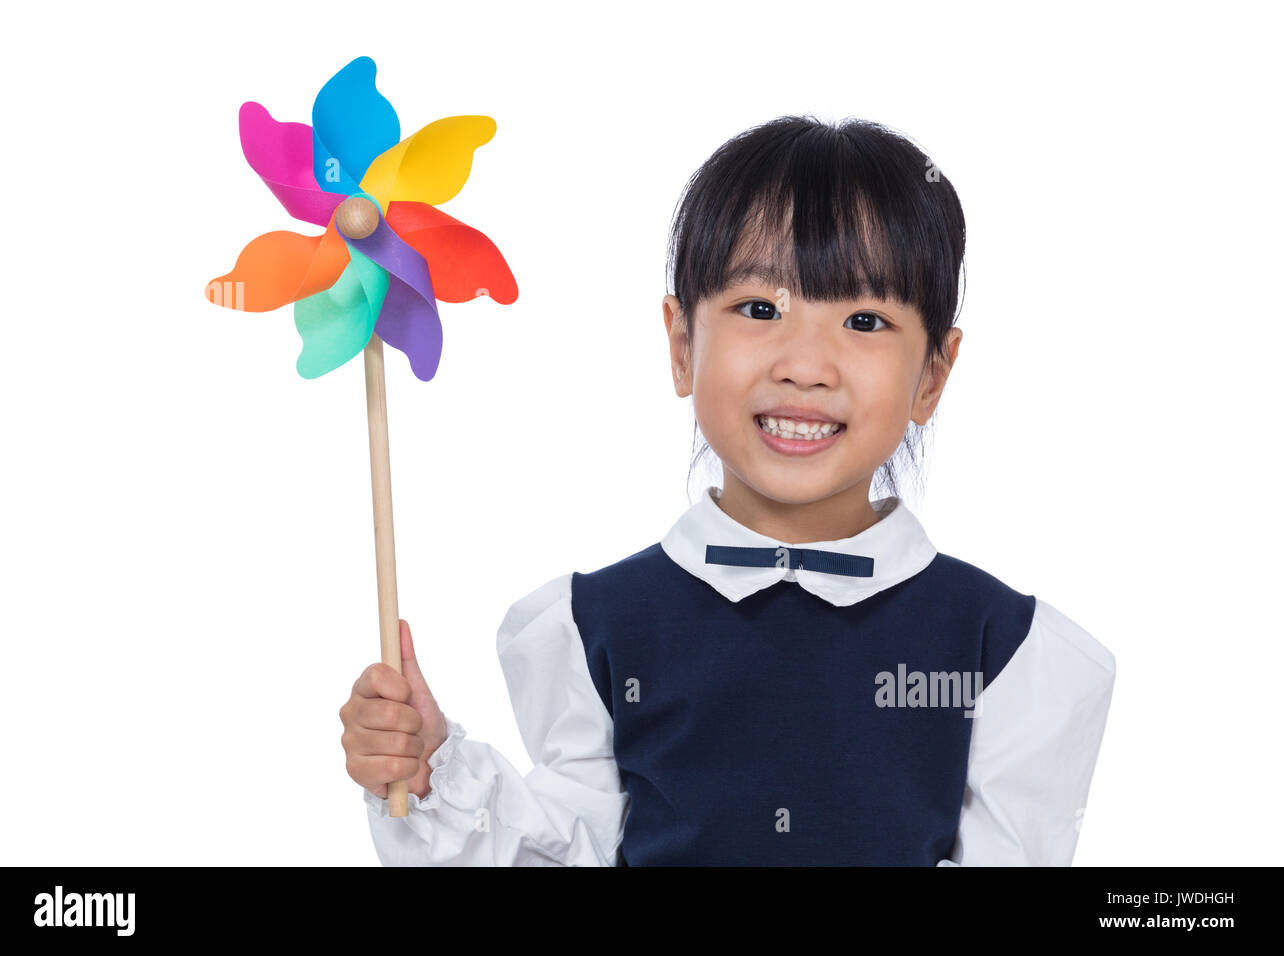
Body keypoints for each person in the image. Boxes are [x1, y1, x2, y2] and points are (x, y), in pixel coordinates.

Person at [338, 115, 1117, 866]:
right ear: (682, 345)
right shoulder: (594, 629)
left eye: (866, 320)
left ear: (933, 377)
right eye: (759, 308)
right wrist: (430, 775)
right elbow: (563, 850)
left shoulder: (1007, 653)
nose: (806, 363)